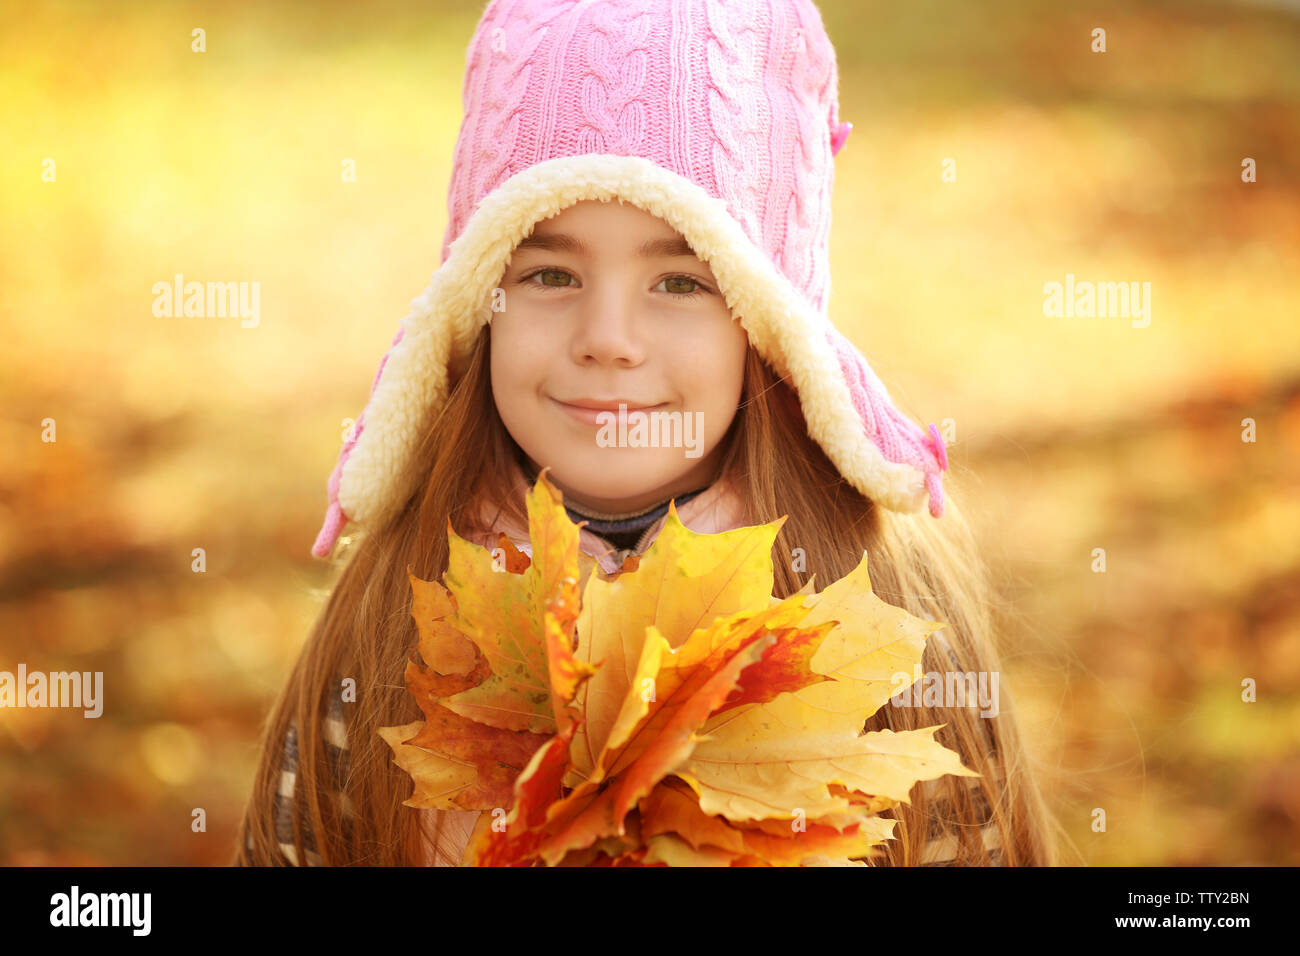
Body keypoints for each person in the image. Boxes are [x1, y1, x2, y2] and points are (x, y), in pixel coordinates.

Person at [234, 0, 1060, 867]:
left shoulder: (879, 628)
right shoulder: (394, 625)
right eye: (550, 272)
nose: (609, 338)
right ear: (480, 304)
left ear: (767, 327)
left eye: (680, 282)